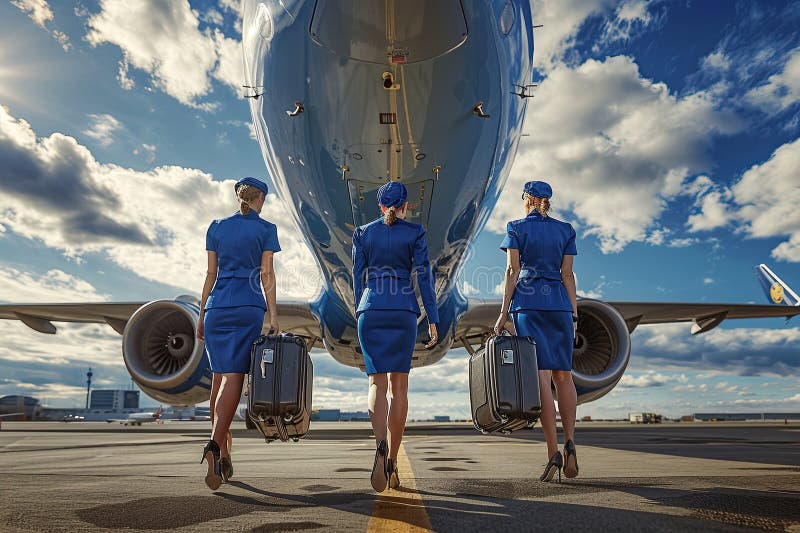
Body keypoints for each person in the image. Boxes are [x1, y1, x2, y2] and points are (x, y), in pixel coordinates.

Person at [351, 181, 439, 492]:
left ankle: (379, 446)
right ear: (405, 207)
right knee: (399, 387)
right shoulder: (414, 232)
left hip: (371, 309)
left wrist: (362, 306)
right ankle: (394, 462)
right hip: (403, 310)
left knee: (376, 382)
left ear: (379, 206)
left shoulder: (362, 232)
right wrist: (432, 319)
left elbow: (356, 276)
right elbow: (424, 277)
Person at [197, 176, 280, 490]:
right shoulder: (265, 229)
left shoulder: (216, 226)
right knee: (234, 378)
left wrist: (202, 314)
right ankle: (215, 444)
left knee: (217, 380)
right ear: (261, 200)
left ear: (239, 199)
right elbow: (267, 274)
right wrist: (273, 315)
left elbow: (210, 274)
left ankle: (225, 455)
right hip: (247, 307)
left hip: (217, 308)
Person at [493, 180, 579, 482]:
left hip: (528, 304)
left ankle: (553, 451)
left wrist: (503, 313)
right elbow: (567, 274)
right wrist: (575, 312)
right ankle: (570, 441)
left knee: (542, 376)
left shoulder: (516, 227)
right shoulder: (566, 230)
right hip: (559, 305)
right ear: (547, 202)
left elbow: (512, 271)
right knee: (563, 376)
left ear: (527, 200)